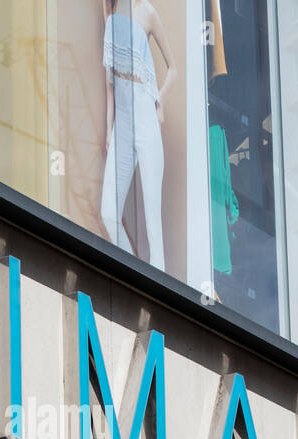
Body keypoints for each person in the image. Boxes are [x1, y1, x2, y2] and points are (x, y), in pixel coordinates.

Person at [100, 0, 176, 271]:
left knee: (152, 221)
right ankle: (133, 270)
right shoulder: (109, 7)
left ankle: (158, 289)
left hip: (144, 114)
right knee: (108, 213)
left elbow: (173, 69)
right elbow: (109, 82)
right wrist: (108, 129)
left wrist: (159, 101)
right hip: (122, 122)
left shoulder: (148, 12)